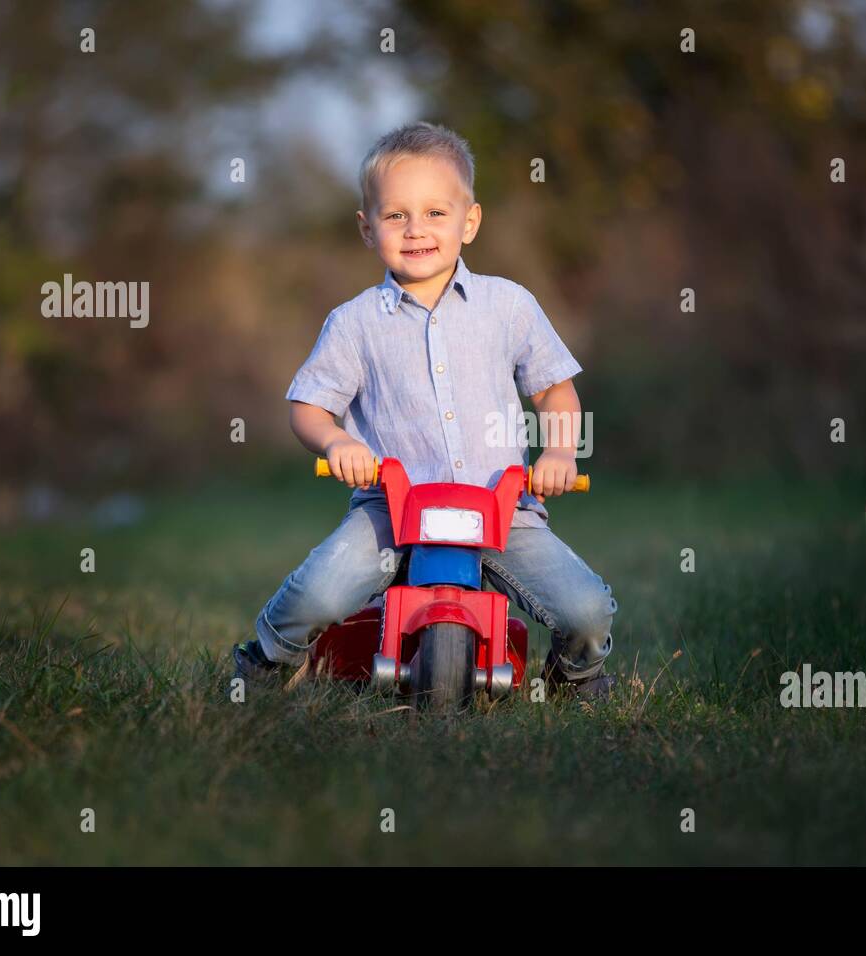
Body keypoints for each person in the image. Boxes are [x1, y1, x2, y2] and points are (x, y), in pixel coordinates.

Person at [233, 121, 617, 700]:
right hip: (392, 508)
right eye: (396, 216)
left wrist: (560, 450)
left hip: (501, 506)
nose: (416, 230)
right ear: (368, 228)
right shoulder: (355, 322)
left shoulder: (507, 305)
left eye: (436, 213)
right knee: (321, 594)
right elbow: (308, 407)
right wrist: (337, 444)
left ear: (470, 221)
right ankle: (262, 661)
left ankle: (576, 677)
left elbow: (553, 392)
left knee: (585, 608)